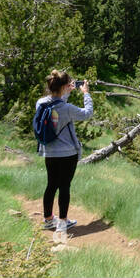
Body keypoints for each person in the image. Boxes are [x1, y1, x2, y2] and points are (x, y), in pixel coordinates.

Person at [36, 70, 94, 232]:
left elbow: (56, 106)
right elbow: (87, 113)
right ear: (63, 87)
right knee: (65, 187)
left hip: (49, 152)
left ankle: (48, 219)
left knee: (51, 185)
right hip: (68, 153)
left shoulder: (41, 103)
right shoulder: (67, 108)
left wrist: (65, 92)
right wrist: (86, 94)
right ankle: (63, 222)